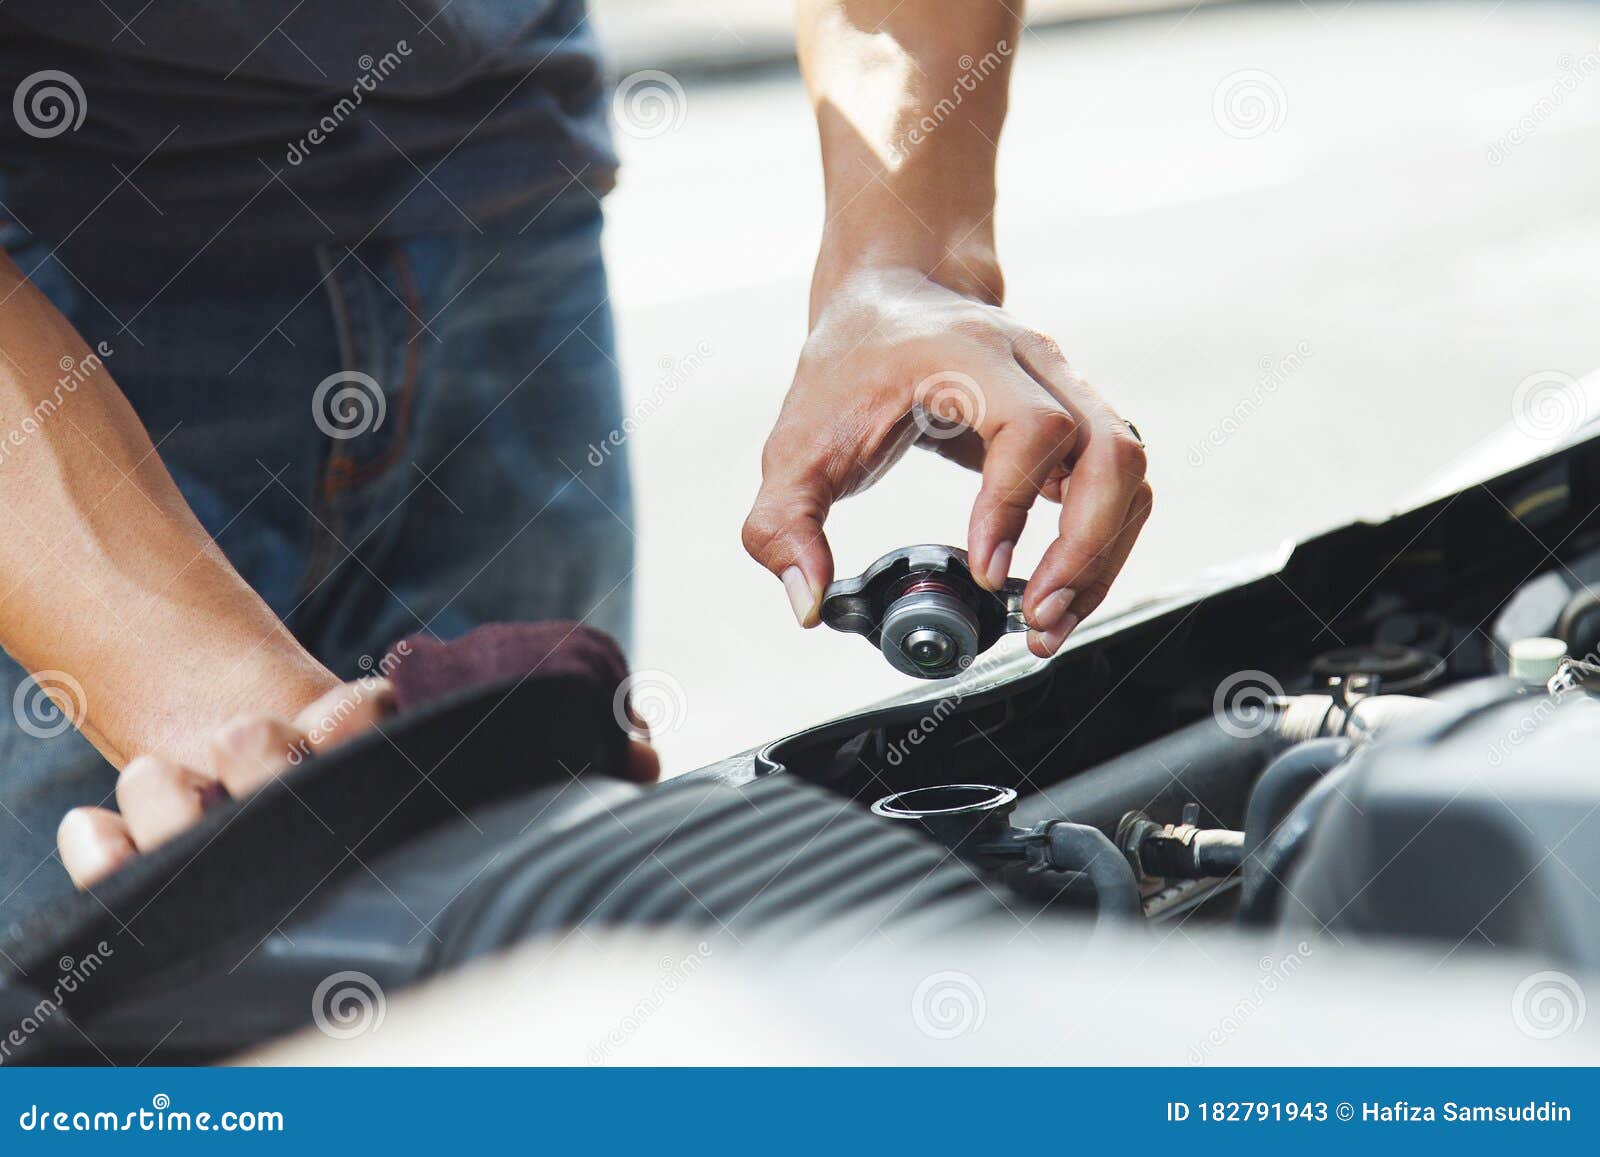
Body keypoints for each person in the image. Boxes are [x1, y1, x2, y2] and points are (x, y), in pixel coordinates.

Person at [0, 2, 1150, 910]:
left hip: (507, 213)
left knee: (535, 954)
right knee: (145, 1021)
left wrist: (905, 265)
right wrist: (173, 670)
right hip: (67, 296)